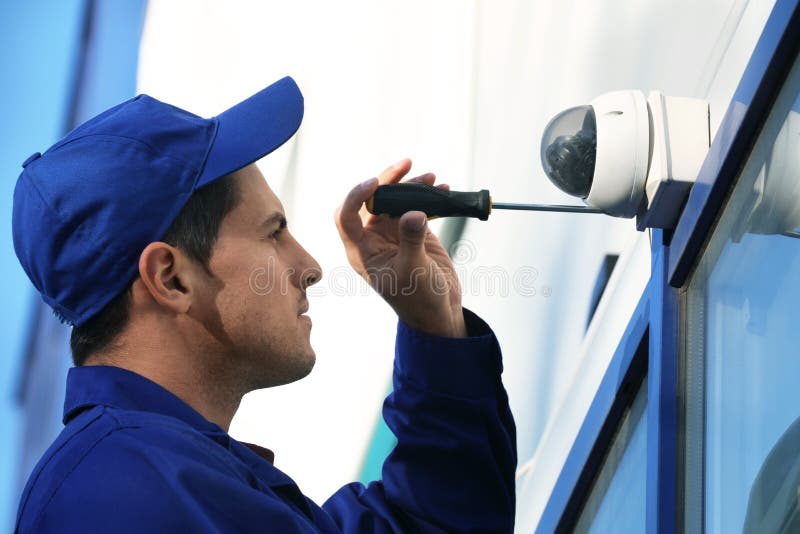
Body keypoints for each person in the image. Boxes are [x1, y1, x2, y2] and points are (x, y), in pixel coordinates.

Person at [12, 76, 516, 533]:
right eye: (274, 233)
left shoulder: (145, 475)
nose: (311, 267)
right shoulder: (125, 490)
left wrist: (434, 326)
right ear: (171, 278)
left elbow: (431, 525)